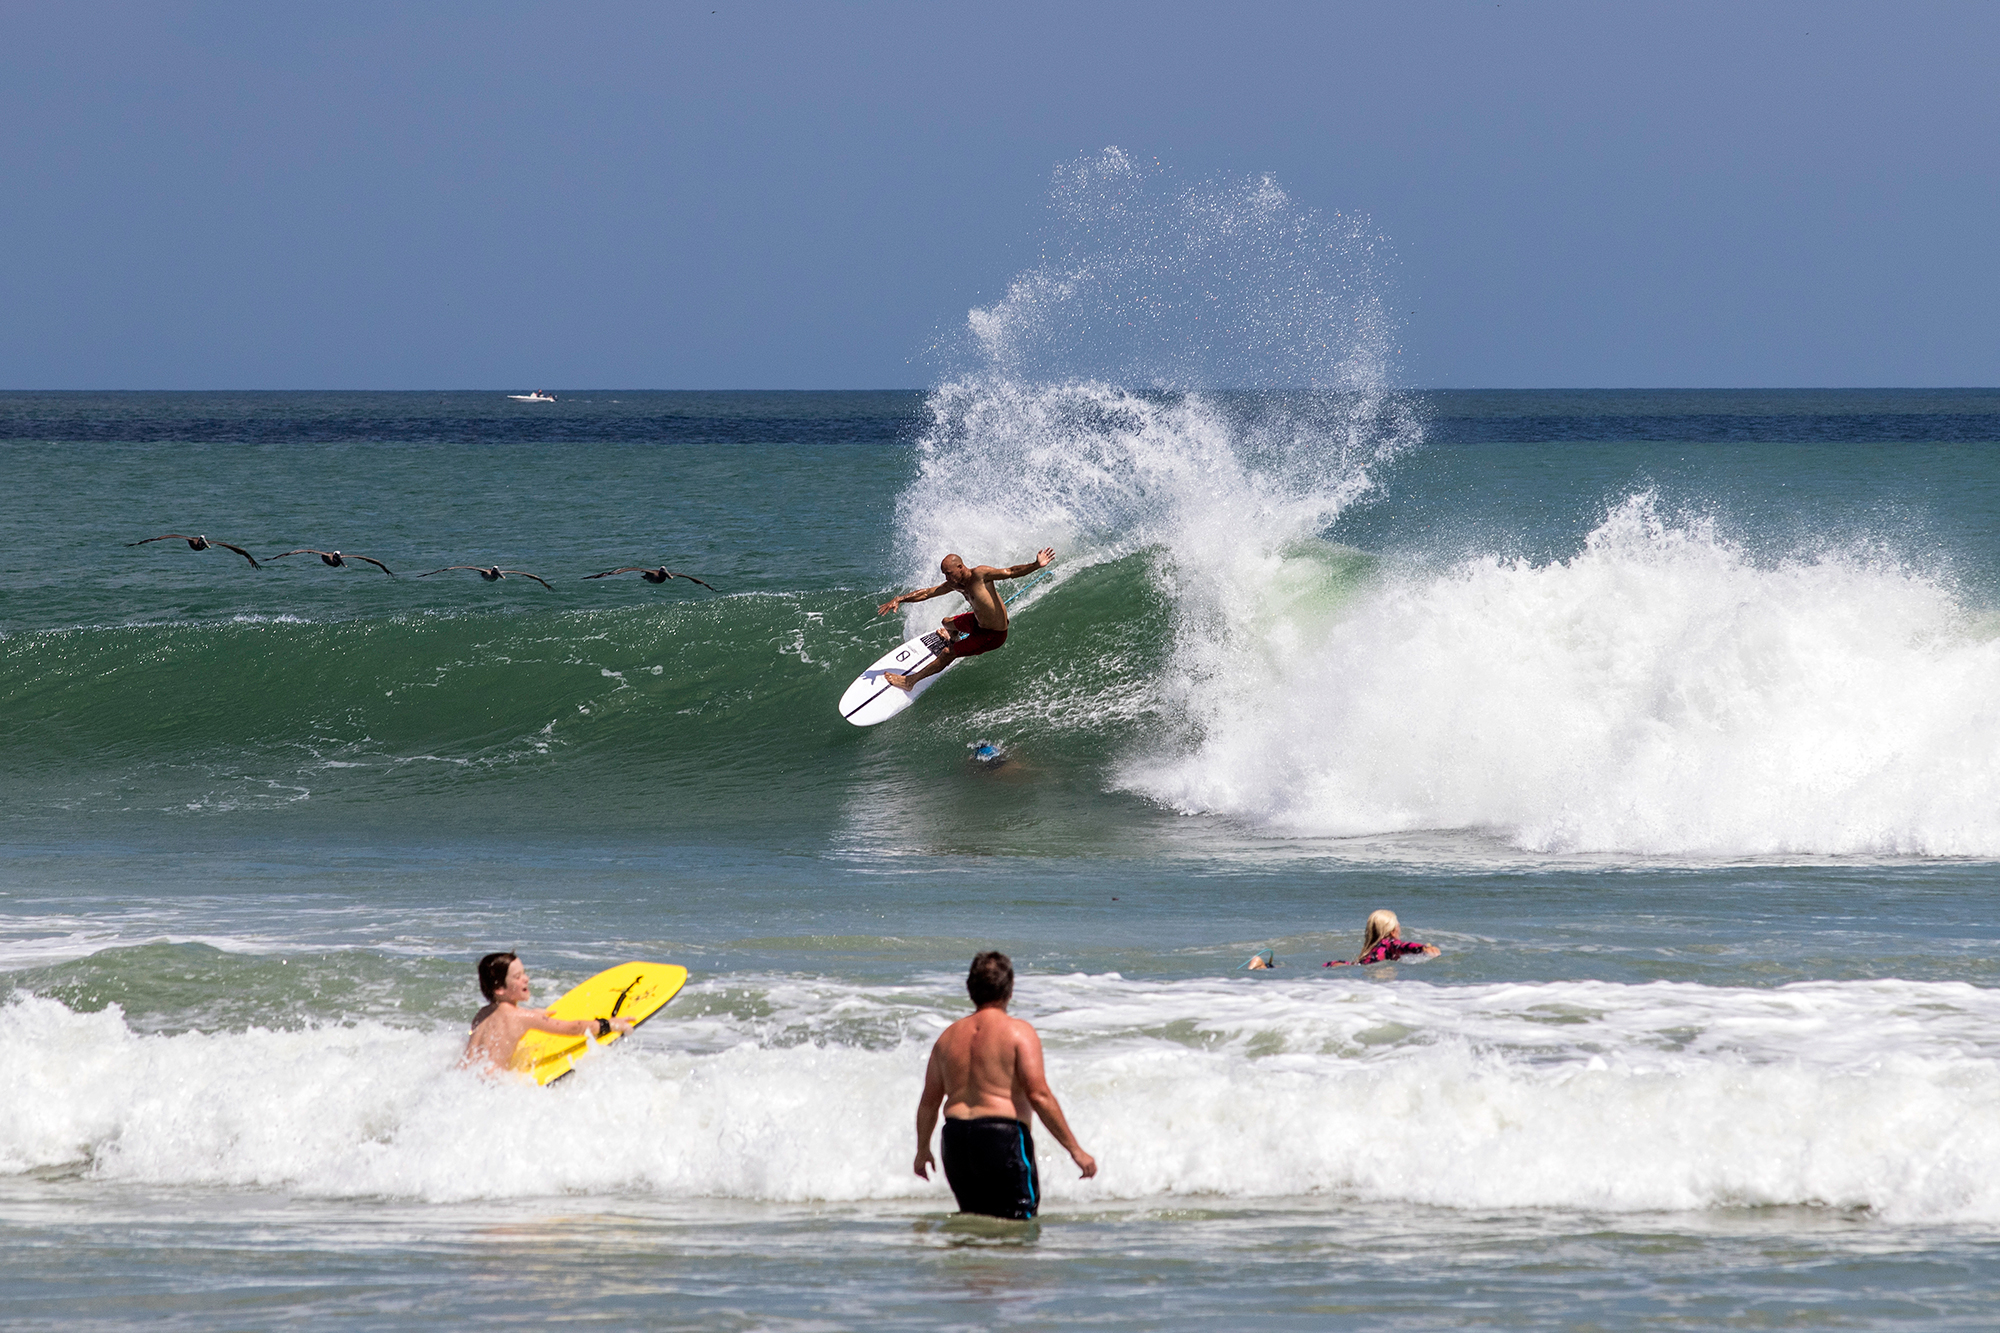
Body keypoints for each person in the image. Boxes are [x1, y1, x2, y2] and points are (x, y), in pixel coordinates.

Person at [914, 951, 1096, 1220]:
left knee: (973, 1222)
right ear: (1009, 990)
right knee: (1019, 1223)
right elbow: (1039, 1095)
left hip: (955, 1141)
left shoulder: (947, 1038)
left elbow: (929, 1103)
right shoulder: (1018, 1032)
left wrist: (922, 1151)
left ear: (970, 989)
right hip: (1002, 1139)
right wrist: (1075, 1150)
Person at [876, 548, 1054, 691]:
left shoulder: (980, 575)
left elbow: (1010, 571)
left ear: (961, 567)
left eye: (949, 573)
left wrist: (1036, 565)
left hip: (992, 634)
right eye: (945, 574)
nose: (947, 578)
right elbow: (927, 593)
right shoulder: (955, 584)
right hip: (977, 621)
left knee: (947, 653)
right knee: (946, 622)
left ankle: (909, 682)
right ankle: (953, 637)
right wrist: (900, 599)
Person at [463, 951, 633, 1072]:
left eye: (524, 973)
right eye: (517, 977)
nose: (526, 978)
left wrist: (532, 1015)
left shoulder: (482, 1014)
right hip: (492, 1086)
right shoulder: (522, 1018)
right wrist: (608, 1024)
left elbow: (500, 1027)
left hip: (466, 1078)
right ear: (499, 988)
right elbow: (572, 1028)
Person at [1325, 910, 1441, 967]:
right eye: (1398, 925)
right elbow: (1402, 946)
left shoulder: (1374, 946)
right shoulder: (1389, 943)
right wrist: (1425, 948)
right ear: (1393, 930)